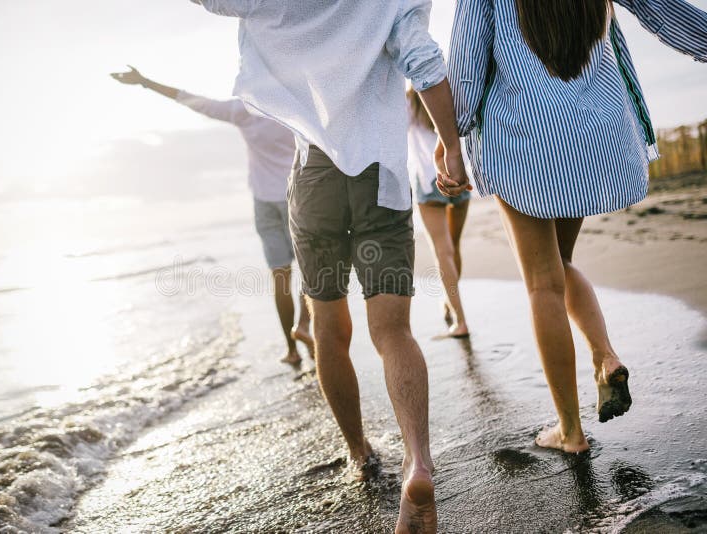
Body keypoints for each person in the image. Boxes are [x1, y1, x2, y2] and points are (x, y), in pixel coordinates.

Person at [191, 2, 471, 532]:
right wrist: (450, 147)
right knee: (393, 332)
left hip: (316, 176)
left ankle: (360, 451)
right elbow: (425, 62)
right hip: (380, 178)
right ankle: (418, 460)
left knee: (328, 329)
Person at [449, 0, 707, 453]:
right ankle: (605, 357)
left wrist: (451, 138)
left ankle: (570, 432)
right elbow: (665, 12)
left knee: (542, 283)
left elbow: (468, 68)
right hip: (592, 136)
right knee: (560, 265)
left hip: (521, 138)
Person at [110, 66, 314, 365]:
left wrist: (144, 82)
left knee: (280, 278)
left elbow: (192, 100)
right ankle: (305, 326)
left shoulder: (241, 111)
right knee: (312, 272)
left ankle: (292, 350)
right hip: (296, 197)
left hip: (264, 203)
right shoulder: (294, 109)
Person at [407, 87, 471, 338]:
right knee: (453, 247)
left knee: (443, 252)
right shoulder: (451, 94)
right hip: (456, 173)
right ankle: (450, 300)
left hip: (426, 179)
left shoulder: (410, 102)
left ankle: (461, 319)